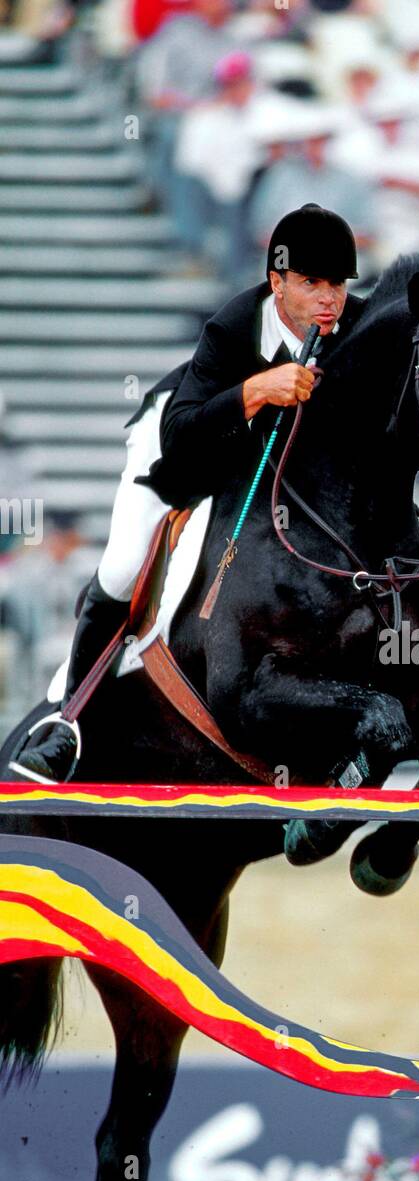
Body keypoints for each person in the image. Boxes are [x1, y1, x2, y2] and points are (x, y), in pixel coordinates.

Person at [10, 204, 363, 785]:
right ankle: (67, 720)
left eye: (338, 284)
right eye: (311, 283)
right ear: (277, 283)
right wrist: (255, 389)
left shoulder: (351, 324)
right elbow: (182, 431)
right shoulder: (233, 325)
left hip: (253, 464)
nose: (329, 299)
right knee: (125, 567)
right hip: (175, 452)